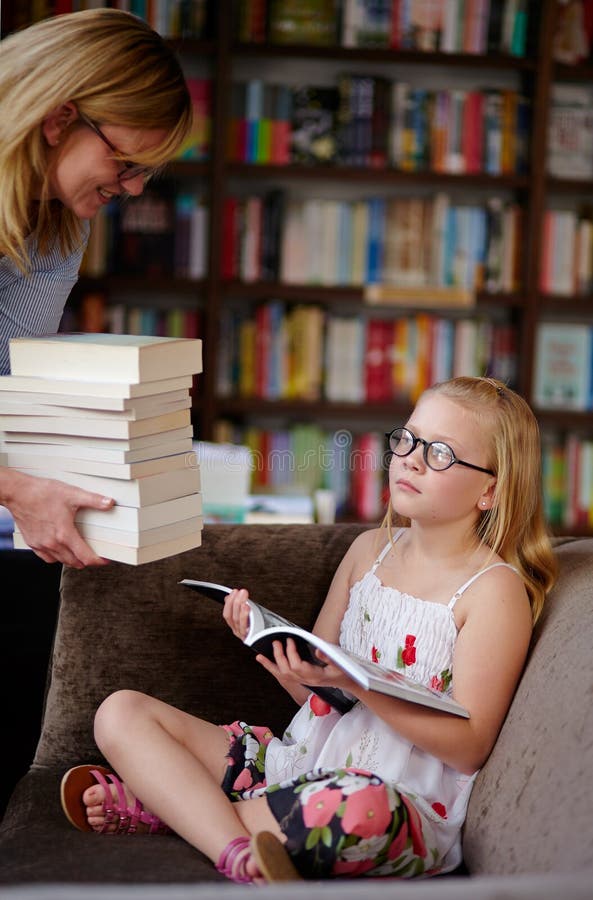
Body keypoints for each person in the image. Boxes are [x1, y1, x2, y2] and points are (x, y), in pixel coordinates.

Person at [60, 376, 557, 882]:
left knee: (351, 806)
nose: (410, 459)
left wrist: (358, 682)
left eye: (441, 453)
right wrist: (276, 651)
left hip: (394, 802)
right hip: (296, 766)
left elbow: (471, 745)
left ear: (491, 490)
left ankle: (174, 814)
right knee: (119, 711)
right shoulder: (369, 551)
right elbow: (316, 697)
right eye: (408, 439)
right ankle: (236, 845)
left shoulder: (492, 591)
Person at [0, 8, 192, 568]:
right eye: (127, 162)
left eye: (147, 171)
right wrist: (15, 488)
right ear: (59, 120)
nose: (132, 189)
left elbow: (10, 382)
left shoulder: (61, 227)